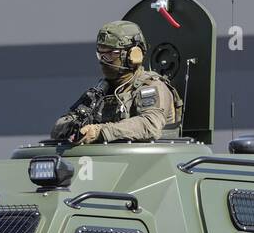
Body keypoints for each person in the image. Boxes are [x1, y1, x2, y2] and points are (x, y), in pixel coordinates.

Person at [50, 20, 181, 144]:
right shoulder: (101, 91)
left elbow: (149, 125)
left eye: (111, 54)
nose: (103, 60)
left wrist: (99, 131)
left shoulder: (150, 86)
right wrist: (72, 128)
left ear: (133, 55)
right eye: (101, 54)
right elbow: (59, 126)